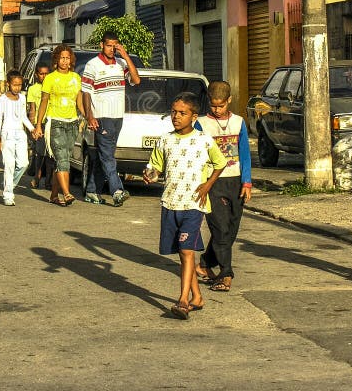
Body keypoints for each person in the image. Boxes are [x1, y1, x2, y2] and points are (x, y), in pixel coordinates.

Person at [143, 92, 226, 320]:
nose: (176, 117)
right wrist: (150, 175)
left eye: (182, 113)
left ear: (193, 116)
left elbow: (220, 163)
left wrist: (208, 185)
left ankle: (183, 301)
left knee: (186, 250)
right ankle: (197, 297)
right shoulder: (166, 139)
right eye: (173, 112)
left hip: (193, 204)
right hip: (170, 203)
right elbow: (156, 166)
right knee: (182, 255)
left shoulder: (203, 140)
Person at [194, 81, 252, 293]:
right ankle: (226, 274)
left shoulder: (239, 123)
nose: (217, 109)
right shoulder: (200, 124)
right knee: (220, 228)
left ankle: (204, 264)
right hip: (212, 181)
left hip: (235, 180)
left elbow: (244, 154)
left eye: (221, 105)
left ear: (229, 101)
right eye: (213, 105)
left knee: (231, 229)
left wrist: (247, 182)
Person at [81, 31, 141, 206]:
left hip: (117, 116)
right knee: (108, 156)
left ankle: (92, 191)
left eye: (115, 46)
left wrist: (125, 55)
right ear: (102, 45)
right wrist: (89, 116)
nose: (112, 49)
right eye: (109, 45)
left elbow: (136, 80)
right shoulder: (92, 65)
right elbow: (86, 92)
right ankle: (117, 190)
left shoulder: (121, 63)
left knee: (104, 155)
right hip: (102, 116)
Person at [33, 45, 84, 207]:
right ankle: (67, 193)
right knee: (62, 159)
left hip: (72, 123)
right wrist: (38, 125)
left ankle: (54, 195)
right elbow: (44, 102)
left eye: (67, 58)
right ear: (56, 60)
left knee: (62, 160)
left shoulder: (76, 78)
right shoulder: (50, 78)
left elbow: (79, 100)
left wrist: (86, 116)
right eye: (62, 58)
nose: (64, 61)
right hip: (55, 122)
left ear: (71, 60)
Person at [0, 70, 34, 206]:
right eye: (14, 85)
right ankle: (8, 195)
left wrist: (32, 129)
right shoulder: (2, 100)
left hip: (20, 134)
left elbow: (23, 117)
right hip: (7, 134)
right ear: (8, 84)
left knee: (24, 164)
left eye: (19, 85)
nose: (17, 87)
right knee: (9, 165)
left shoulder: (22, 98)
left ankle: (10, 184)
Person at [26, 64, 53, 189]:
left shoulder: (53, 87)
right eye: (41, 74)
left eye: (47, 73)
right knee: (39, 153)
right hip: (39, 124)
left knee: (50, 154)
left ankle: (48, 180)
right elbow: (32, 109)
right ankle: (37, 178)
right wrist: (32, 127)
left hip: (52, 121)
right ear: (37, 75)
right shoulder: (33, 89)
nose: (44, 76)